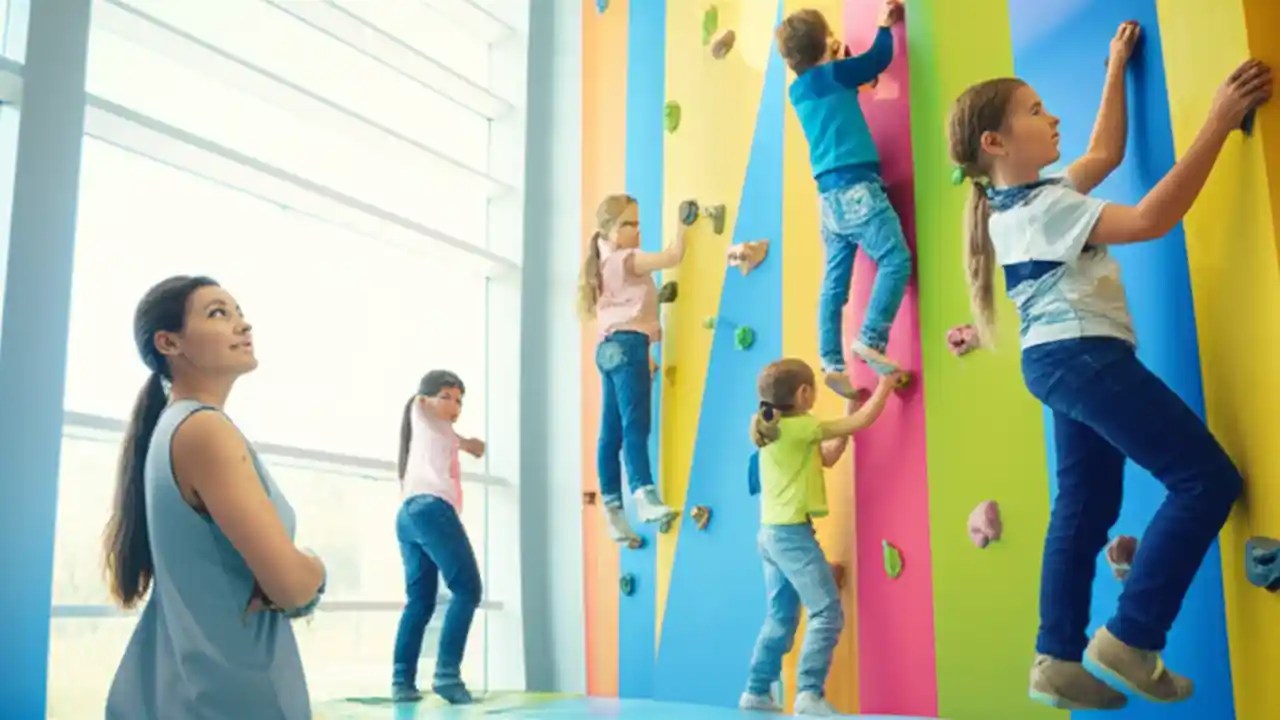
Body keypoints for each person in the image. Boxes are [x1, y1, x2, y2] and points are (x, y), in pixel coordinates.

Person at [948, 19, 1271, 708]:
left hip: (1057, 361)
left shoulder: (1025, 202)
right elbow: (1154, 218)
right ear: (995, 142)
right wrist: (1217, 119)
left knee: (1086, 504)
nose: (1051, 114)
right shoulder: (1043, 210)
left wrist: (1116, 67)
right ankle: (1131, 635)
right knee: (1204, 480)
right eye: (1036, 110)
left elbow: (1106, 148)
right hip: (1081, 354)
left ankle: (1055, 656)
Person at [104, 275, 325, 720]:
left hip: (190, 690)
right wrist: (316, 568)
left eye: (239, 313)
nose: (243, 326)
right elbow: (291, 585)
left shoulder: (174, 429)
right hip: (234, 693)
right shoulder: (205, 431)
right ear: (169, 342)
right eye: (218, 313)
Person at [740, 359, 899, 716]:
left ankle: (756, 689)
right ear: (804, 394)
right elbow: (860, 424)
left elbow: (829, 455)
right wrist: (886, 387)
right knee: (826, 612)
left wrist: (849, 403)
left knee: (781, 617)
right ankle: (808, 694)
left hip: (770, 536)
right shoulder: (800, 427)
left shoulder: (775, 431)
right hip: (791, 536)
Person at [777, 1, 911, 398]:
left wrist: (830, 59)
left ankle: (831, 360)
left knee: (833, 286)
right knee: (895, 259)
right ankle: (871, 337)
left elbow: (836, 85)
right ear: (824, 47)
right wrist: (885, 25)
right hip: (857, 188)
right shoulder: (836, 73)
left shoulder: (798, 92)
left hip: (829, 200)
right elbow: (877, 60)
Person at [577, 194, 685, 545]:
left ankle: (614, 512)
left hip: (608, 349)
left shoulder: (602, 263)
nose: (637, 230)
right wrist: (684, 222)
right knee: (635, 427)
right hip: (628, 347)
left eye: (638, 223)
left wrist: (648, 354)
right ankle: (644, 495)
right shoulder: (626, 259)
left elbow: (625, 313)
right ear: (609, 230)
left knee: (610, 433)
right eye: (628, 224)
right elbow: (673, 256)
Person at [391, 370, 485, 704]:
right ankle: (447, 675)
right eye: (446, 396)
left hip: (409, 514)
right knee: (468, 589)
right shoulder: (422, 414)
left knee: (420, 601)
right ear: (424, 399)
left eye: (459, 400)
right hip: (431, 510)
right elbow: (431, 412)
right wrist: (468, 443)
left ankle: (402, 682)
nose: (454, 405)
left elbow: (455, 440)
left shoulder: (440, 433)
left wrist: (470, 445)